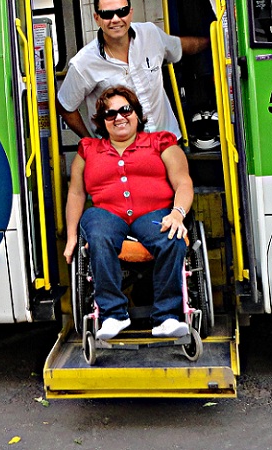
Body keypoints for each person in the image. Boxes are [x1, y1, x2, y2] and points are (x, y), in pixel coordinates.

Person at [63, 86, 195, 340]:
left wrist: (177, 213)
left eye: (125, 109)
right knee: (98, 233)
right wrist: (71, 238)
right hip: (107, 214)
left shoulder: (161, 142)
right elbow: (76, 193)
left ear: (137, 113)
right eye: (110, 114)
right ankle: (113, 315)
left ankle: (166, 317)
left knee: (172, 238)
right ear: (102, 122)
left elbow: (184, 183)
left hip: (153, 212)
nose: (119, 117)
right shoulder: (88, 149)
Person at [57, 0, 209, 139]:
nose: (115, 19)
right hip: (121, 154)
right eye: (107, 14)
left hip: (166, 143)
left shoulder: (150, 34)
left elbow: (182, 46)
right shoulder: (83, 62)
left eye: (121, 12)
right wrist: (91, 144)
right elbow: (65, 106)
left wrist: (214, 40)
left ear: (130, 13)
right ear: (97, 18)